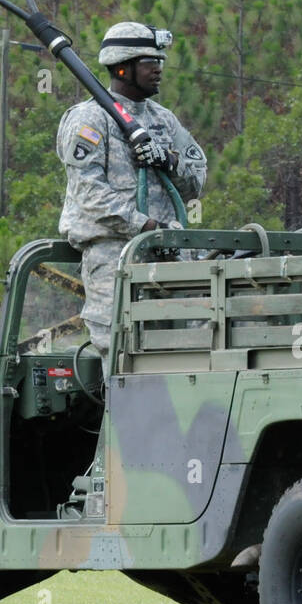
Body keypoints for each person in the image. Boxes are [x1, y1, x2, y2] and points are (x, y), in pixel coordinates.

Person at [55, 20, 207, 366]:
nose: (158, 70)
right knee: (124, 356)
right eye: (149, 63)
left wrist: (167, 160)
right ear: (123, 67)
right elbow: (89, 194)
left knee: (186, 349)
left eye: (160, 62)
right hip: (115, 258)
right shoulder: (90, 120)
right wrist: (144, 226)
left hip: (170, 256)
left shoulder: (164, 121)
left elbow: (196, 178)